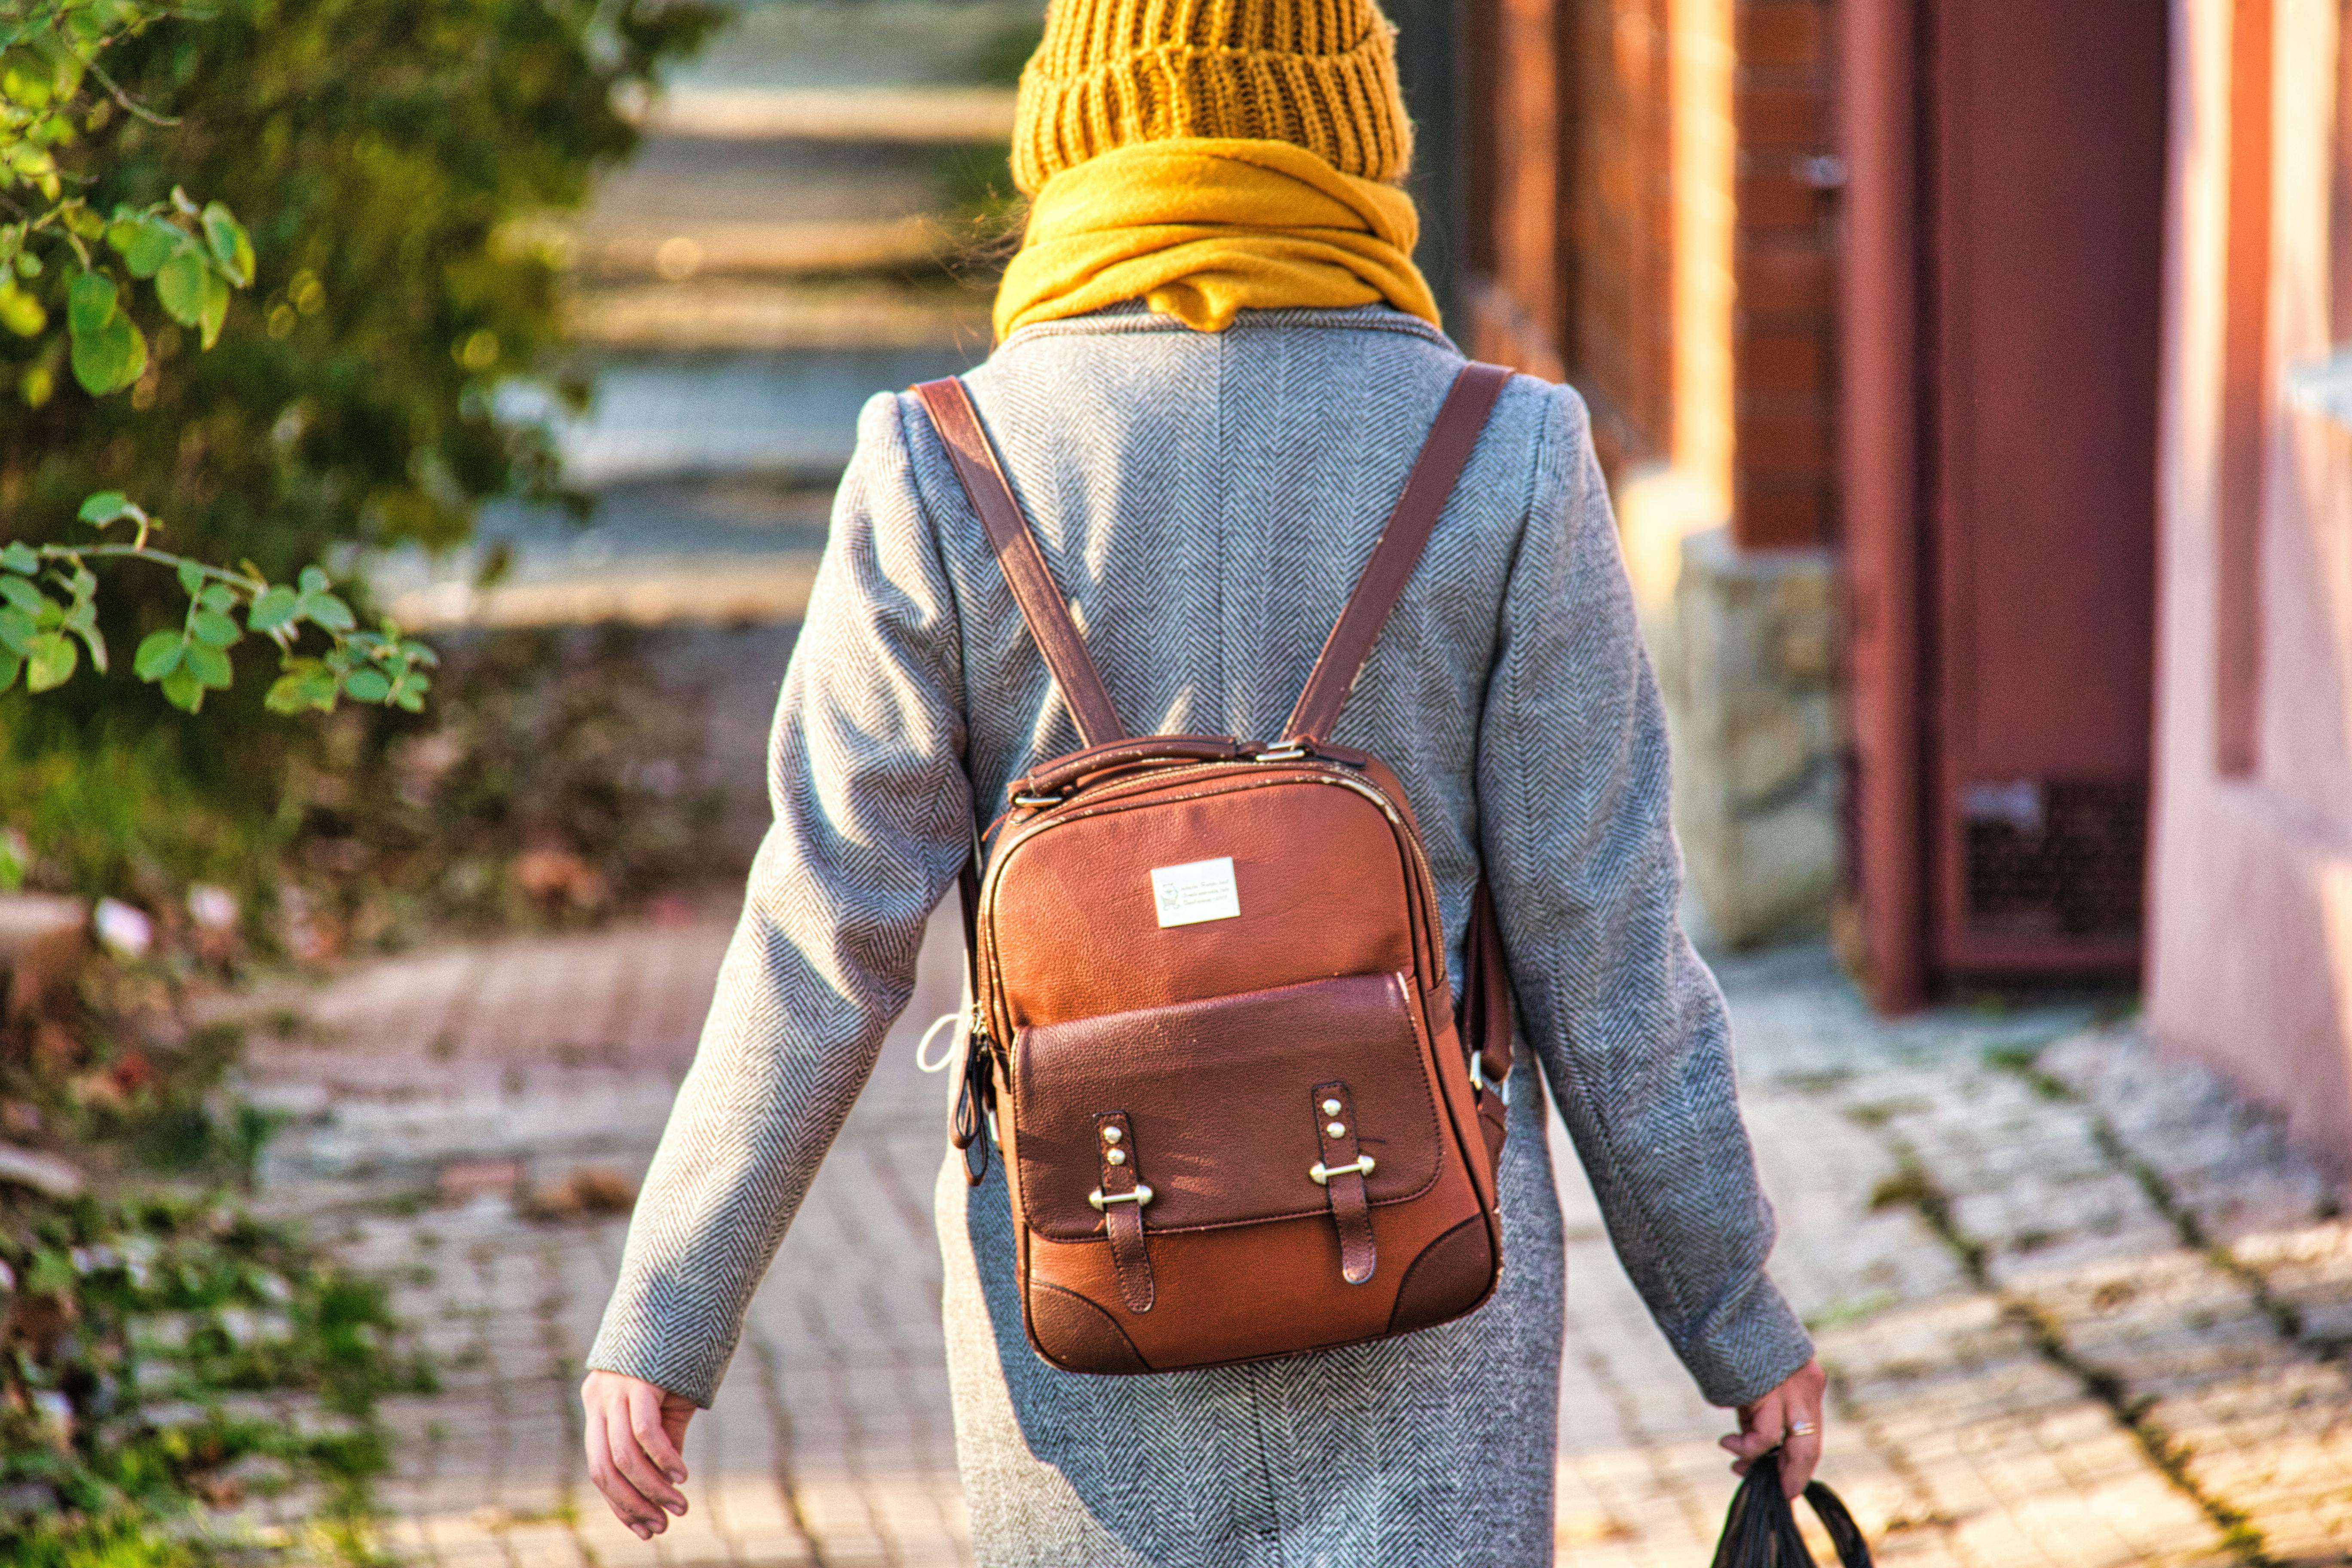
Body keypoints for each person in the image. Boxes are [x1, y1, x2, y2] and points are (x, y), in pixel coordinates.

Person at [578, 0, 1826, 1560]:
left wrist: (669, 1316)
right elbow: (1609, 953)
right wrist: (1738, 1319)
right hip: (1424, 1298)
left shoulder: (936, 465)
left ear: (1075, 133)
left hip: (1090, 1292)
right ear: (1363, 137)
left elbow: (820, 936)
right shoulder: (1510, 455)